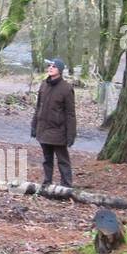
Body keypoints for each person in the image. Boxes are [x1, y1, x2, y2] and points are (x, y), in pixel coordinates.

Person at [31, 58, 76, 187]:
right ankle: (47, 183)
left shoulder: (66, 88)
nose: (50, 68)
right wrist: (34, 125)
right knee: (47, 159)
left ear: (60, 70)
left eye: (54, 66)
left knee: (63, 160)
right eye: (49, 65)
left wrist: (71, 134)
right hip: (43, 129)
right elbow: (38, 107)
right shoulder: (44, 85)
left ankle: (66, 185)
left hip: (58, 131)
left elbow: (70, 114)